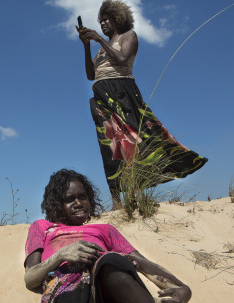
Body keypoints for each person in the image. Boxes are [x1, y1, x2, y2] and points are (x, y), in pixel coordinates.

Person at [24, 169, 191, 303]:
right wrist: (61, 255)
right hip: (67, 290)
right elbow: (31, 277)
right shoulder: (43, 227)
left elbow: (140, 262)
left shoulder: (106, 230)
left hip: (110, 286)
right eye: (69, 199)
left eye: (83, 197)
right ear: (56, 205)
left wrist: (183, 288)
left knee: (112, 262)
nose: (78, 203)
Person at [77, 0, 208, 208]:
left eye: (106, 19)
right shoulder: (101, 49)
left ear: (117, 18)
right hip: (101, 97)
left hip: (122, 92)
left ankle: (135, 194)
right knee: (110, 147)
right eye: (100, 21)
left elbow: (121, 59)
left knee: (133, 143)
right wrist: (86, 46)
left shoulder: (128, 36)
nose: (102, 23)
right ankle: (116, 200)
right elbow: (90, 74)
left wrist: (100, 40)